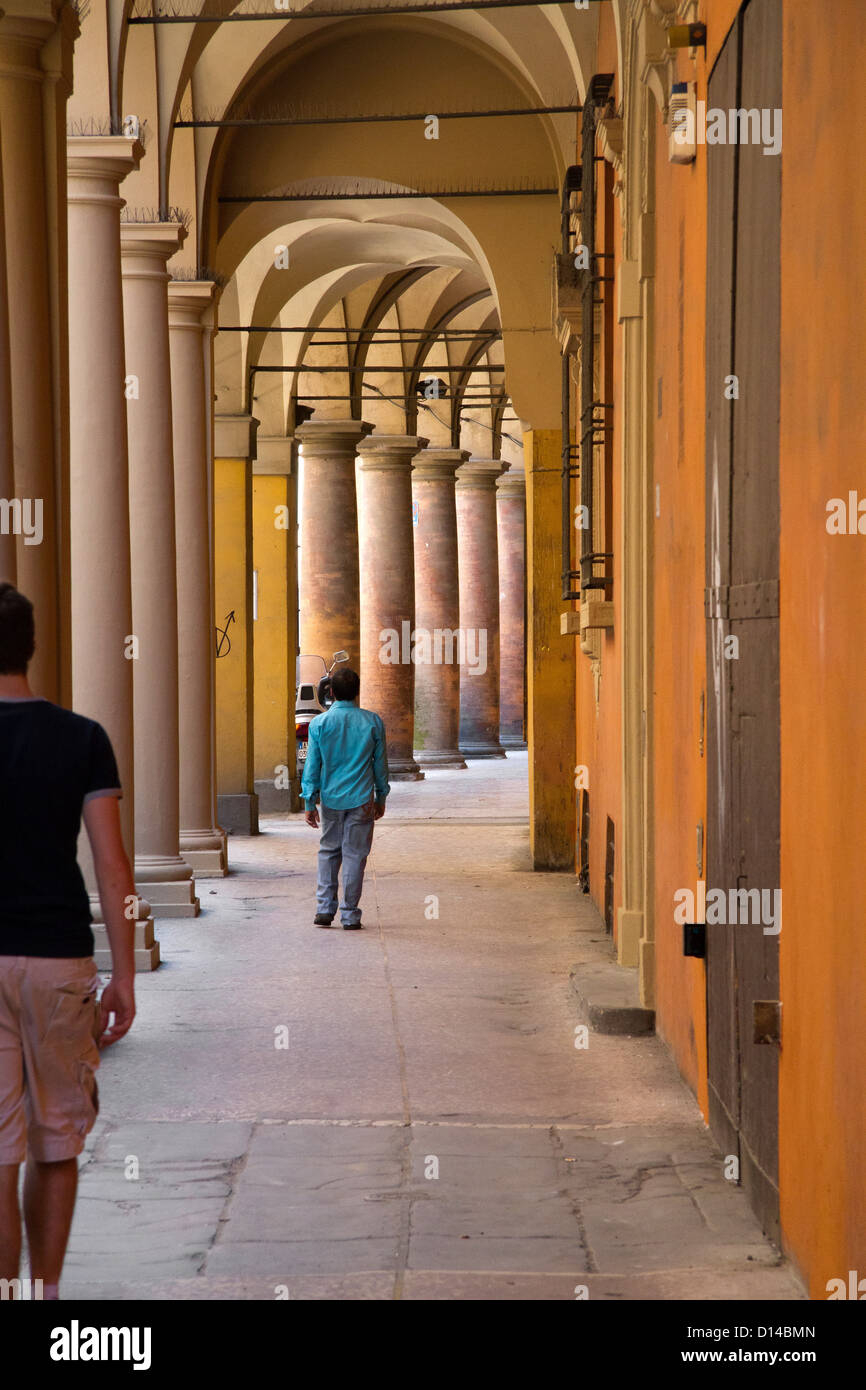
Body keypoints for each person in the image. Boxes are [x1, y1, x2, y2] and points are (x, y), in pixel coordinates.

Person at [0, 583, 137, 1301]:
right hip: (57, 957)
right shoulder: (82, 738)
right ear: (31, 646)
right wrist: (125, 976)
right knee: (56, 1141)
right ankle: (45, 1298)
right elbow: (112, 868)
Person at [301, 666, 390, 930]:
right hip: (362, 799)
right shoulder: (373, 722)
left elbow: (312, 765)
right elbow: (380, 766)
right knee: (354, 855)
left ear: (330, 692)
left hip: (331, 799)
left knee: (329, 851)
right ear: (357, 692)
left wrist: (309, 800)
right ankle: (350, 914)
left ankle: (324, 909)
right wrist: (381, 796)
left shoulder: (319, 723)